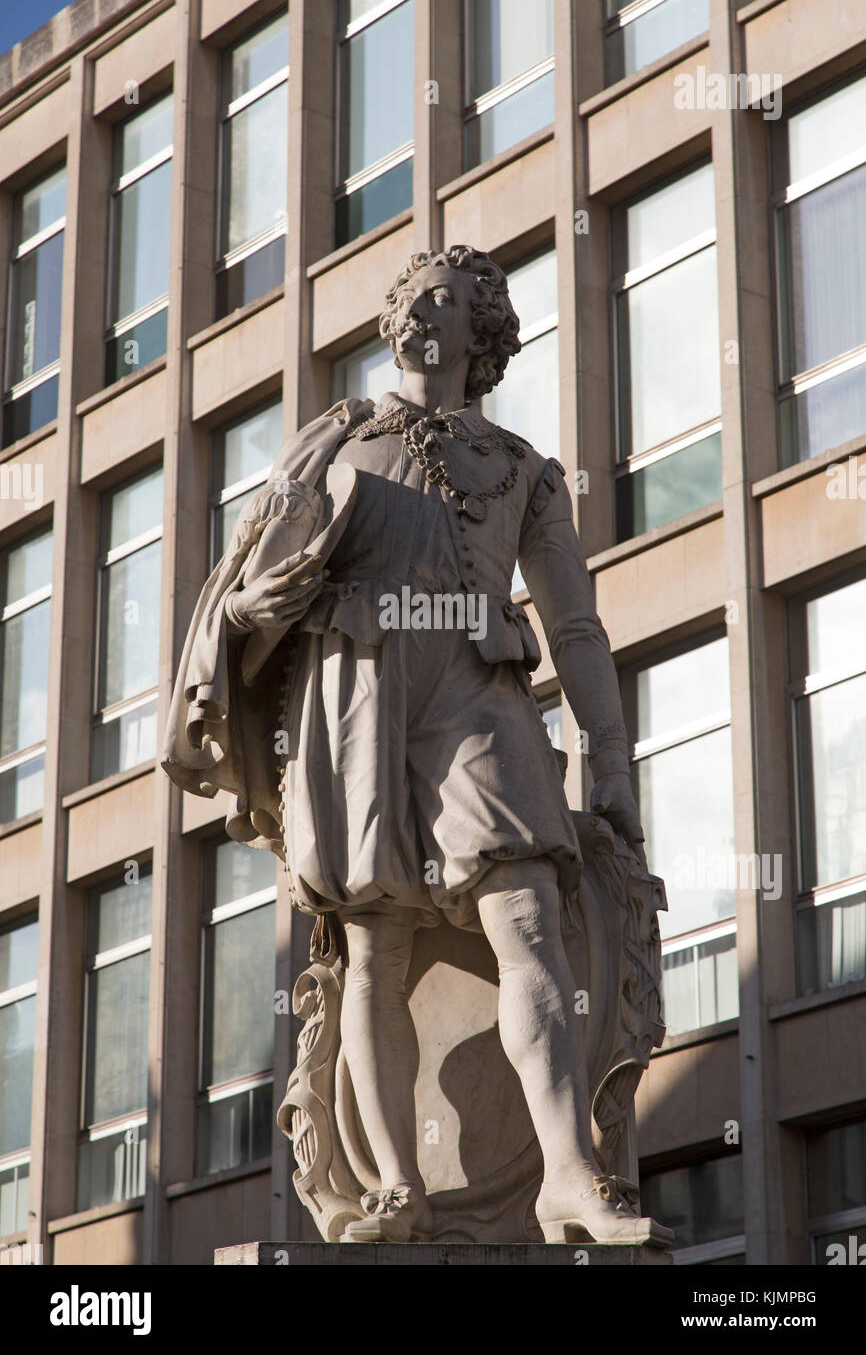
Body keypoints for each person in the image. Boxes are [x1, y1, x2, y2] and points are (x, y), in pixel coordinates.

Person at [164, 246, 670, 1246]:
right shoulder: (333, 440)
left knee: (526, 913)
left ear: (482, 333)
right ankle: (395, 1186)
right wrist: (258, 603)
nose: (420, 310)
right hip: (355, 693)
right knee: (371, 947)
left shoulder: (523, 467)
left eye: (444, 298)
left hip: (477, 690)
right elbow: (257, 577)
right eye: (411, 297)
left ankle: (567, 1171)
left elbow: (571, 625)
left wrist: (608, 756)